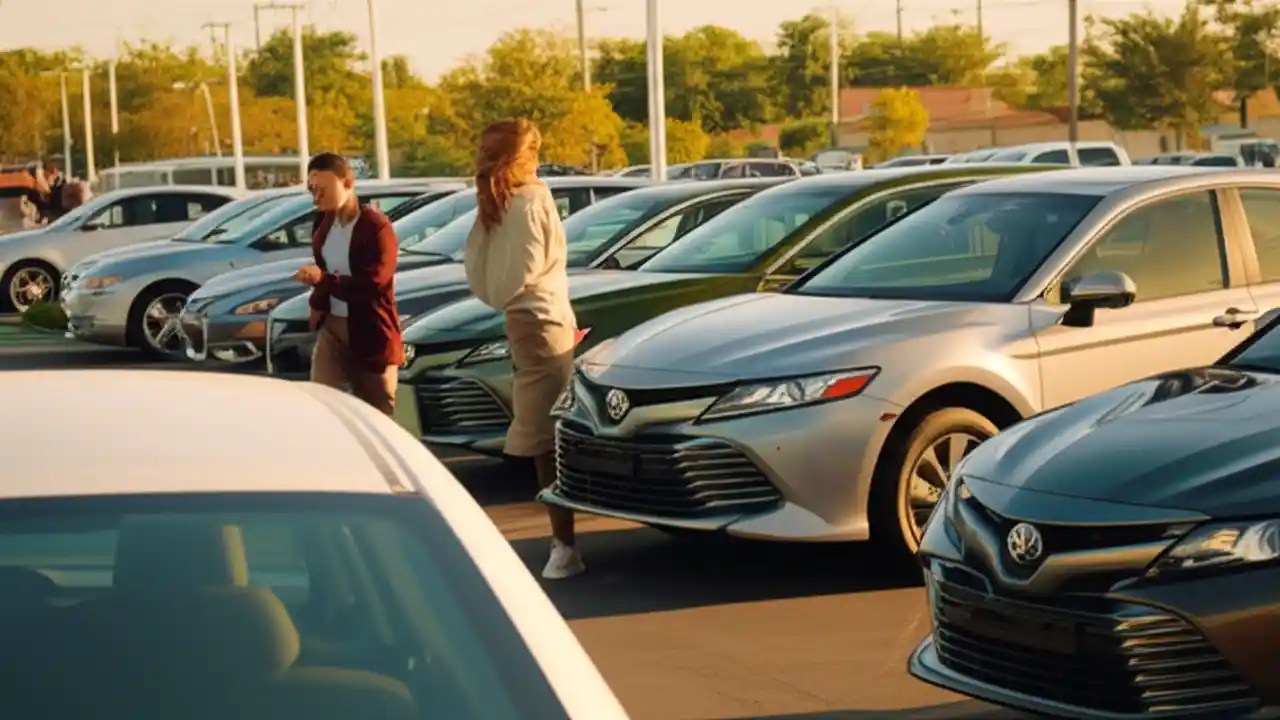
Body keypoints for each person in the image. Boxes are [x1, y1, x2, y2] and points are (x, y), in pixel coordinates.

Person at [464, 118, 584, 580]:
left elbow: (488, 274)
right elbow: (531, 264)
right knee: (547, 439)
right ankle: (564, 546)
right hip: (543, 319)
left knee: (544, 438)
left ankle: (564, 544)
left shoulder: (501, 202)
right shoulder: (531, 198)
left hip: (528, 322)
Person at [292, 152, 403, 415]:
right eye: (312, 189)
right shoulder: (324, 223)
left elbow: (375, 283)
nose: (316, 197)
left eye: (324, 189)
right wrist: (317, 293)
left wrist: (324, 280)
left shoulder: (376, 227)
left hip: (370, 329)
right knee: (323, 404)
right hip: (332, 327)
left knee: (377, 412)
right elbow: (325, 270)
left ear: (348, 183)